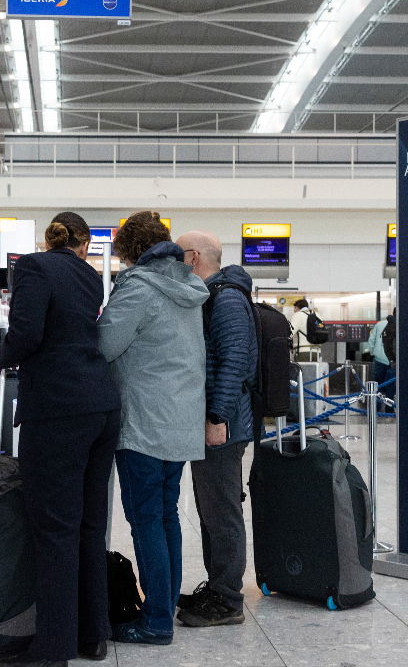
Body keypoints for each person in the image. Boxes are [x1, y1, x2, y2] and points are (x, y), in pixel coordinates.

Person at [0, 212, 121, 667]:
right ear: (84, 244)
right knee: (89, 523)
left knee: (54, 529)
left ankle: (52, 649)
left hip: (58, 409)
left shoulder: (33, 266)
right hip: (101, 405)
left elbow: (27, 334)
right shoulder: (90, 277)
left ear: (48, 240)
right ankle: (92, 633)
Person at [98, 211, 208, 646]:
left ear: (129, 252)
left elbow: (104, 345)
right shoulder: (188, 288)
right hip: (179, 422)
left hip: (143, 423)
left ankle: (156, 621)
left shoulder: (139, 288)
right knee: (165, 517)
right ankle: (163, 608)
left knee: (146, 521)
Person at [175, 232, 257, 628]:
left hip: (224, 424)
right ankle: (217, 587)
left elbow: (235, 361)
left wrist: (217, 417)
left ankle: (228, 599)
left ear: (192, 258)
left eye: (178, 256)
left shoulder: (226, 299)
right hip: (215, 420)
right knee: (211, 510)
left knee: (222, 513)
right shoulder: (213, 296)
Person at [365, 310, 397, 403]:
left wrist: (373, 352)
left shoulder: (379, 324)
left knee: (377, 385)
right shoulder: (400, 324)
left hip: (379, 359)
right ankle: (389, 407)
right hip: (394, 361)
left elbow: (371, 340)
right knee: (391, 385)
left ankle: (376, 407)